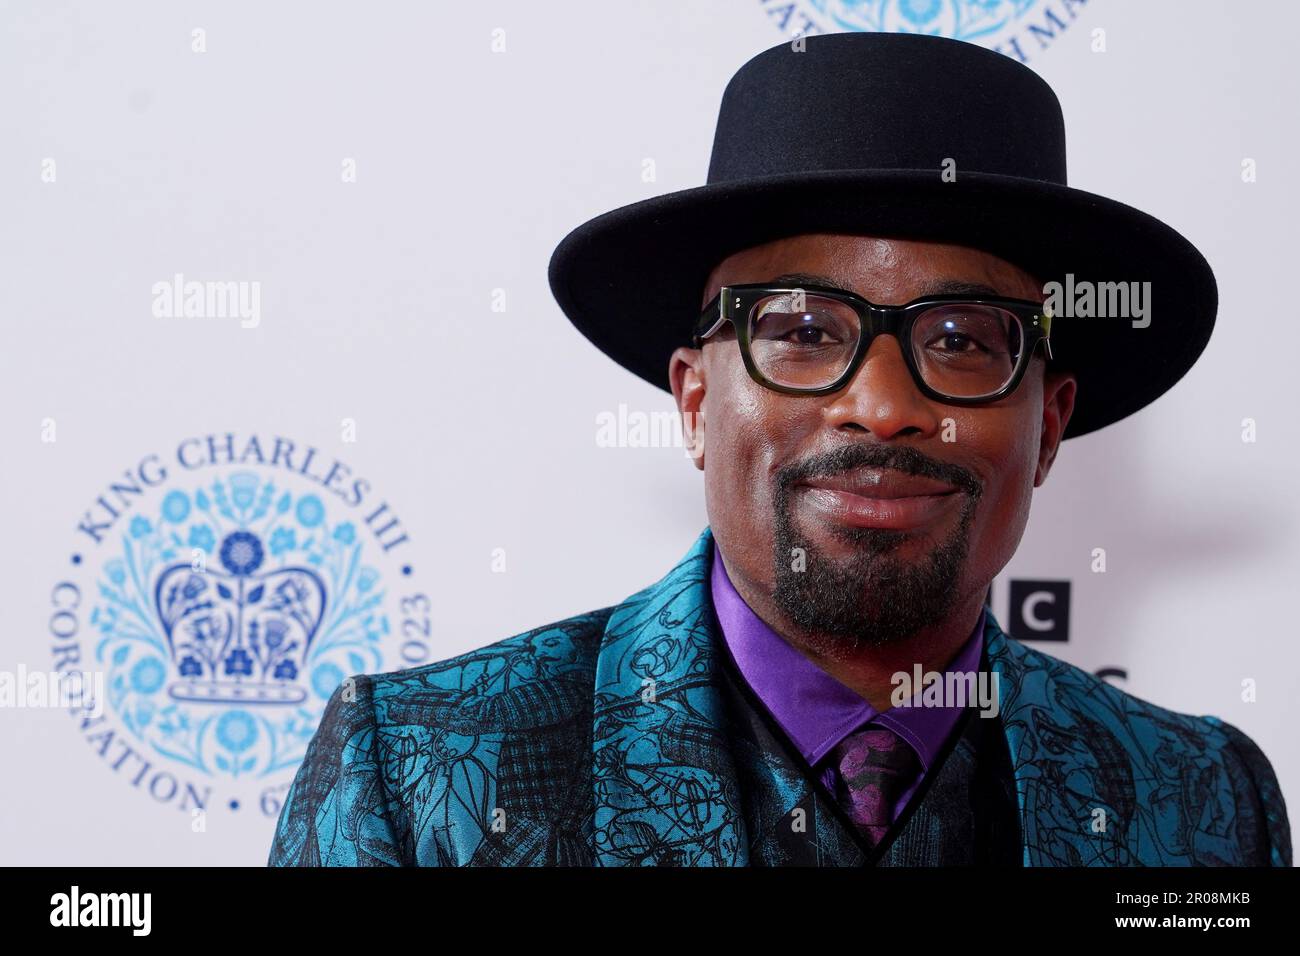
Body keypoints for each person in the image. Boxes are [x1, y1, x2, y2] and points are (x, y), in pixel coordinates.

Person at [268, 32, 1290, 866]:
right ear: (694, 395)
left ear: (1048, 425)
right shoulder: (416, 774)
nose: (882, 406)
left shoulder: (1198, 799)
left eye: (962, 341)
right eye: (802, 331)